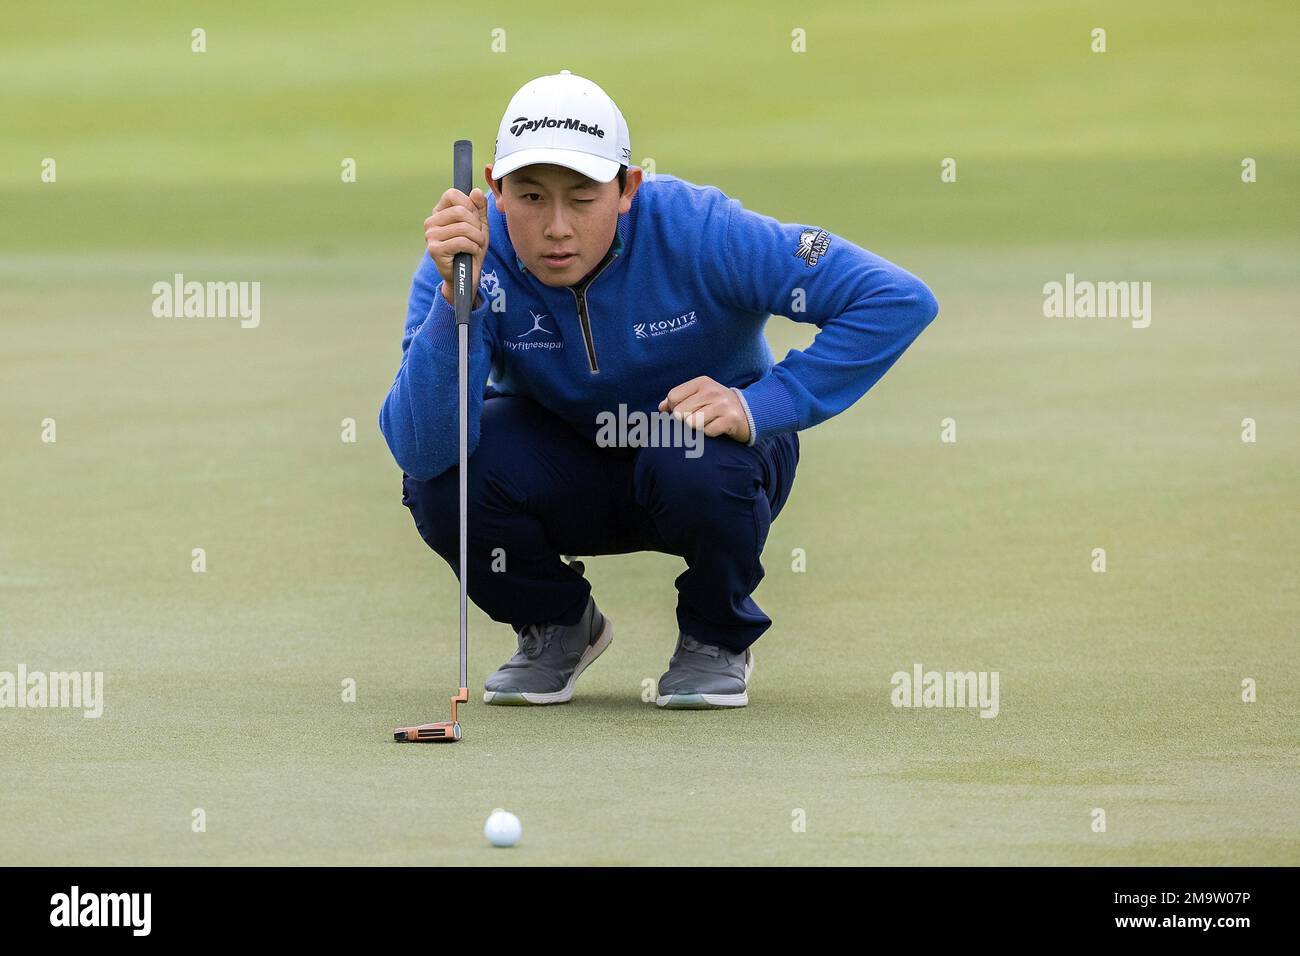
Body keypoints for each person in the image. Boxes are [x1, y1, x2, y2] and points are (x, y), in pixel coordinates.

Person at [380, 70, 938, 710]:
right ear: (495, 190)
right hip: (569, 460)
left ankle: (714, 636)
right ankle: (558, 625)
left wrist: (760, 404)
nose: (557, 226)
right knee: (443, 479)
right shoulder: (465, 258)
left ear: (627, 189)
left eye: (583, 197)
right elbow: (422, 451)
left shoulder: (702, 231)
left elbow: (895, 298)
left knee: (692, 459)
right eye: (532, 197)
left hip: (708, 459)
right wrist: (462, 304)